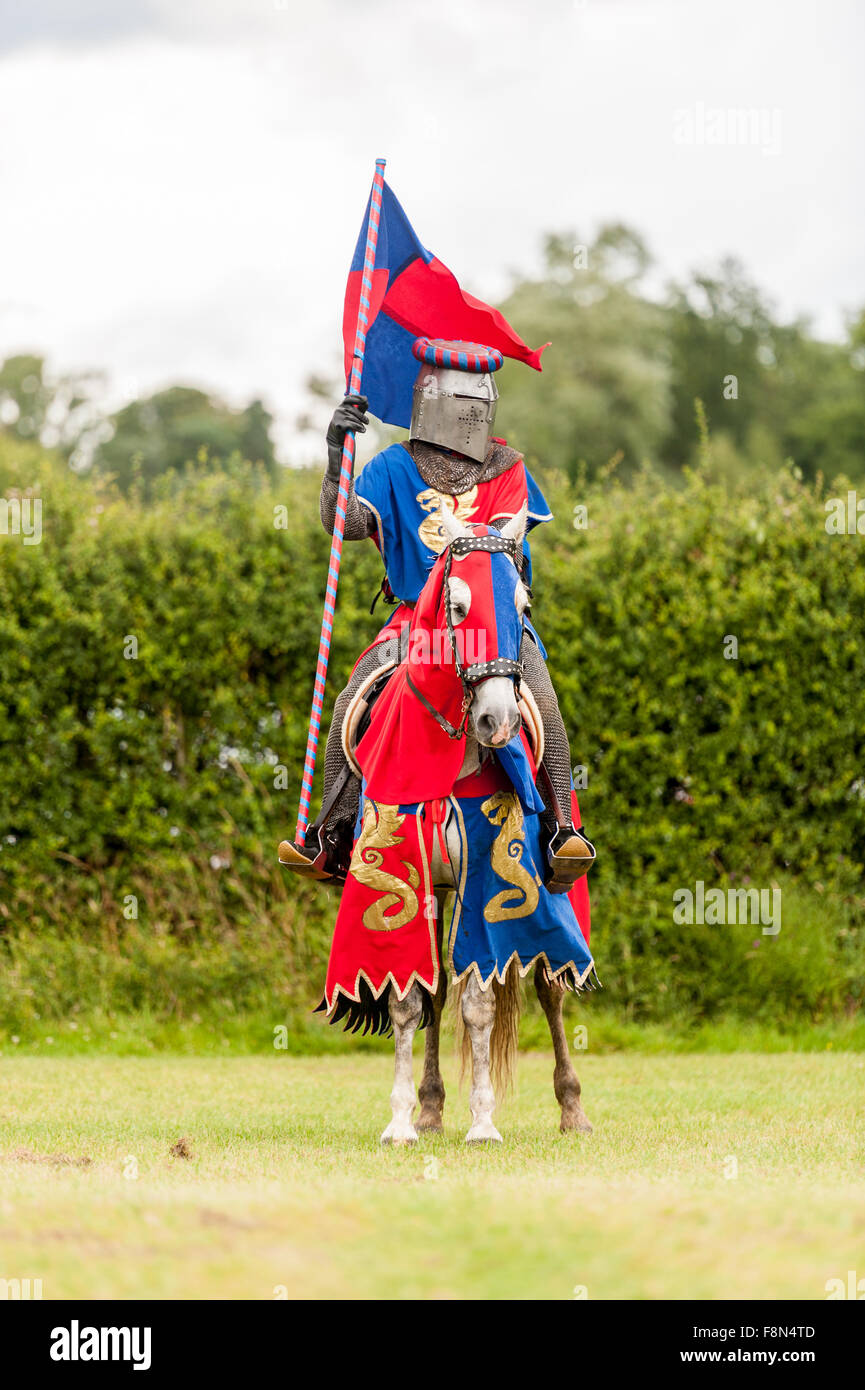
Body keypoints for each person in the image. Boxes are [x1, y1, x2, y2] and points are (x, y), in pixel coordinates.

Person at [280, 337, 593, 891]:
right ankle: (332, 832)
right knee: (355, 698)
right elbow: (340, 521)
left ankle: (562, 829)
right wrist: (335, 458)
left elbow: (511, 554)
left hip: (488, 620)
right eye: (460, 401)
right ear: (429, 401)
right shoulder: (394, 466)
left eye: (479, 401)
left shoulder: (508, 468)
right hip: (416, 623)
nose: (469, 414)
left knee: (540, 694)